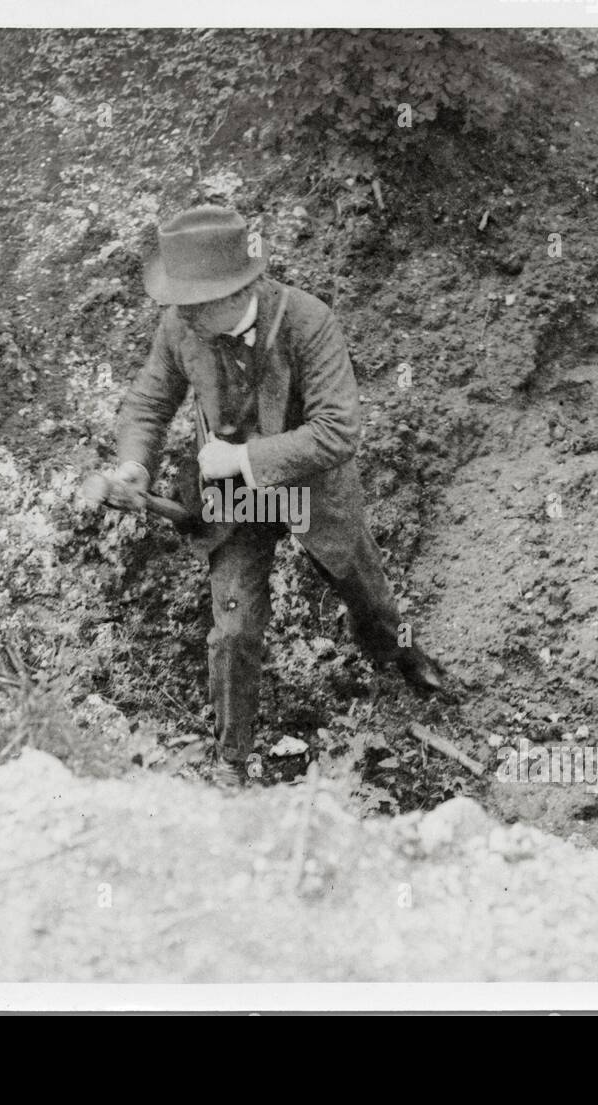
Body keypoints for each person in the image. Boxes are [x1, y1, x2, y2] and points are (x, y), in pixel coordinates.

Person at [109, 205, 448, 785]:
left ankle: (399, 654)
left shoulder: (308, 322)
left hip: (313, 489)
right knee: (234, 627)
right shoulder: (181, 327)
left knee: (364, 589)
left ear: (236, 291)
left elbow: (338, 431)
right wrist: (134, 464)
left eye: (194, 303)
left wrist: (243, 458)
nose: (182, 313)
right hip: (232, 502)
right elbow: (148, 402)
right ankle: (231, 758)